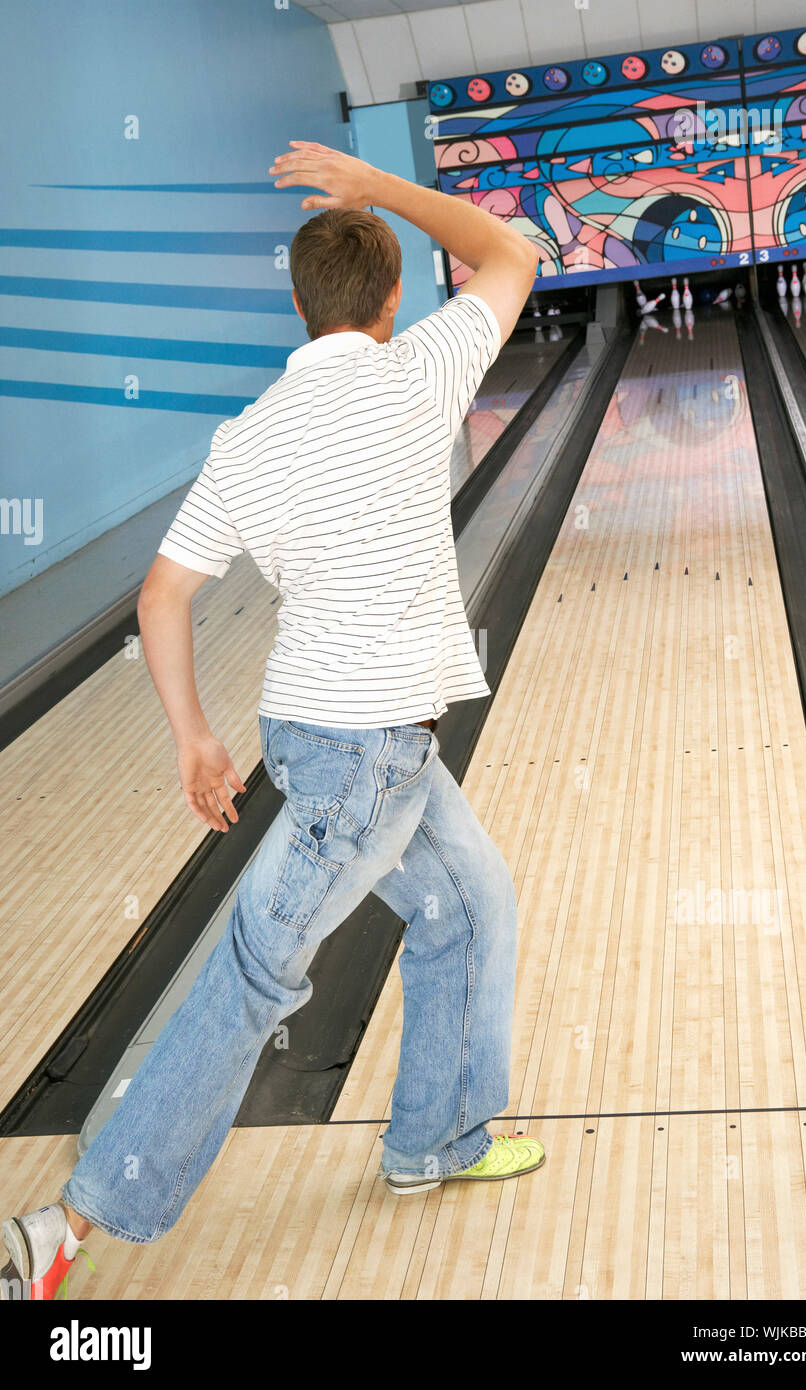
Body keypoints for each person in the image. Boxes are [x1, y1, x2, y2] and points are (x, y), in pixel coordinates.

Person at [1, 141, 542, 1301]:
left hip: (324, 735)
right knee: (252, 976)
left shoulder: (247, 437)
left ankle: (429, 1144)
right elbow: (508, 248)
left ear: (297, 307)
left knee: (471, 900)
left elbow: (163, 598)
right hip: (368, 760)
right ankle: (74, 1222)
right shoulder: (422, 371)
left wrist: (195, 738)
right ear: (391, 300)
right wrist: (376, 185)